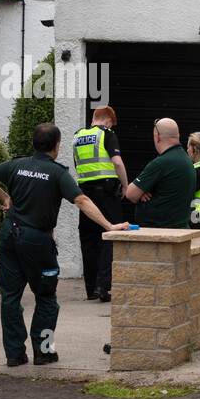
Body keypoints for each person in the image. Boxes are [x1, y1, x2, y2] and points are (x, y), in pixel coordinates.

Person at [0, 123, 130, 368]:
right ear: (57, 146)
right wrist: (108, 226)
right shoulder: (57, 172)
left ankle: (14, 355)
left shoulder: (16, 165)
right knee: (46, 297)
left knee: (10, 297)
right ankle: (43, 352)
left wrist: (5, 197)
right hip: (37, 241)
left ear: (34, 143)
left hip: (10, 236)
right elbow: (81, 199)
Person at [71, 105, 128, 302]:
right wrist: (125, 186)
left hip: (85, 195)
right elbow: (118, 163)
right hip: (107, 193)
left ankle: (91, 289)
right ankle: (104, 287)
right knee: (110, 235)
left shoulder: (77, 136)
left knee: (89, 240)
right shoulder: (107, 134)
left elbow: (78, 165)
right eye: (111, 123)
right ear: (107, 120)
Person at [124, 117, 196, 229]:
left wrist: (142, 190)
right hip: (179, 229)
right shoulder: (185, 160)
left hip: (160, 233)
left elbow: (130, 194)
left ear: (157, 137)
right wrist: (144, 189)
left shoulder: (161, 162)